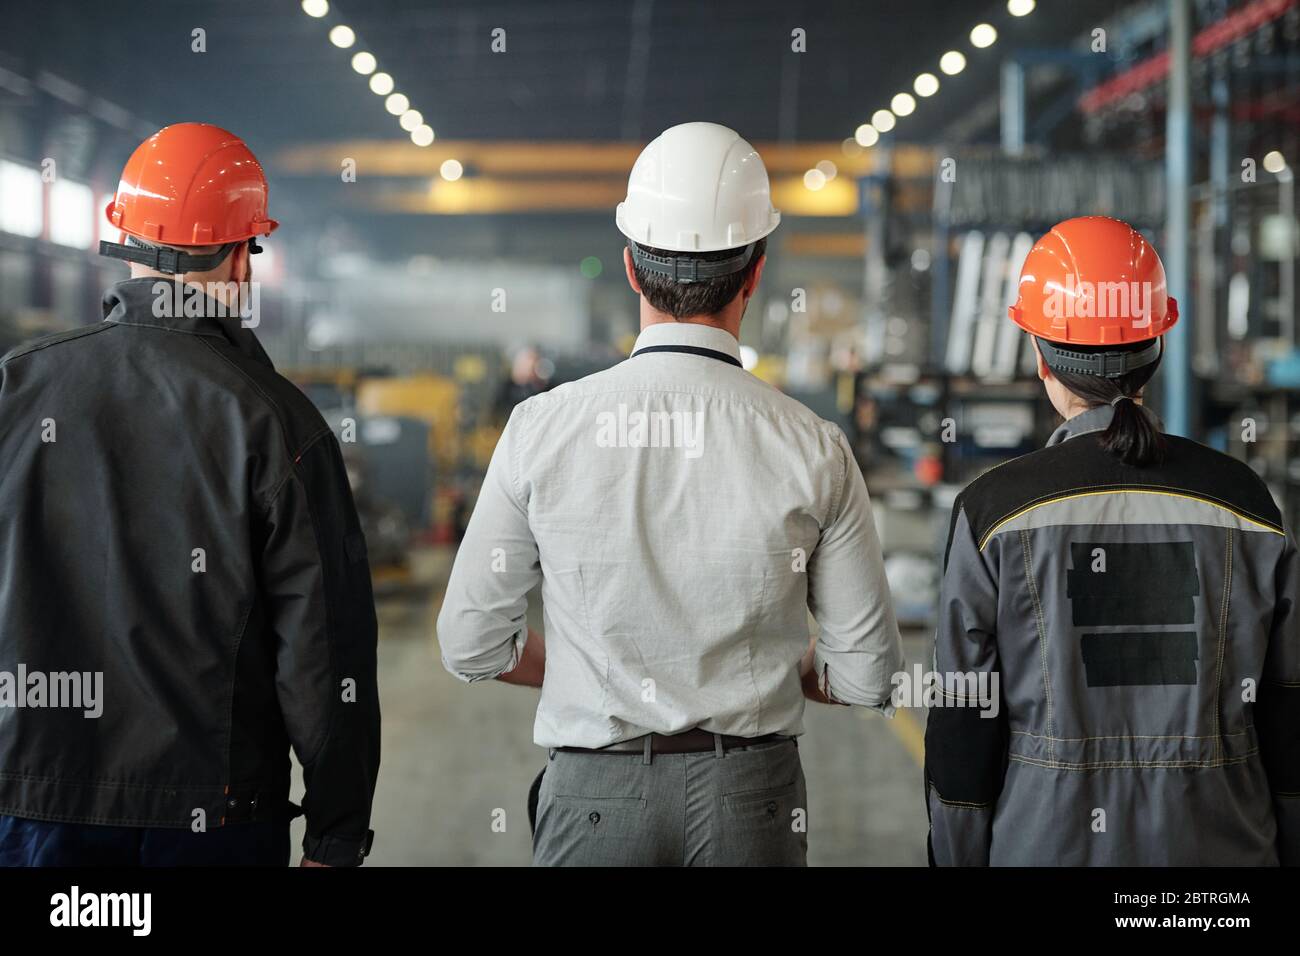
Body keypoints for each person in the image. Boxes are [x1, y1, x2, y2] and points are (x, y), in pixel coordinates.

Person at [438, 121, 904, 866]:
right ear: (754, 273)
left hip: (594, 798)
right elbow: (866, 674)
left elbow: (470, 643)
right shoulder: (814, 445)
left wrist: (600, 675)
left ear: (630, 268)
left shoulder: (540, 428)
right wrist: (744, 672)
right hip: (750, 800)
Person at [0, 123, 380, 867]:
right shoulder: (278, 420)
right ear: (241, 255)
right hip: (211, 815)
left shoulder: (14, 389)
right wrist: (335, 832)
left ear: (127, 243)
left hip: (27, 800)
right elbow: (324, 654)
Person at [925, 216, 1298, 866]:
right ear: (1156, 347)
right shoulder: (1250, 506)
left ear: (1040, 356)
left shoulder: (993, 513)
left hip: (1045, 846)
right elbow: (1290, 715)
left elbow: (961, 722)